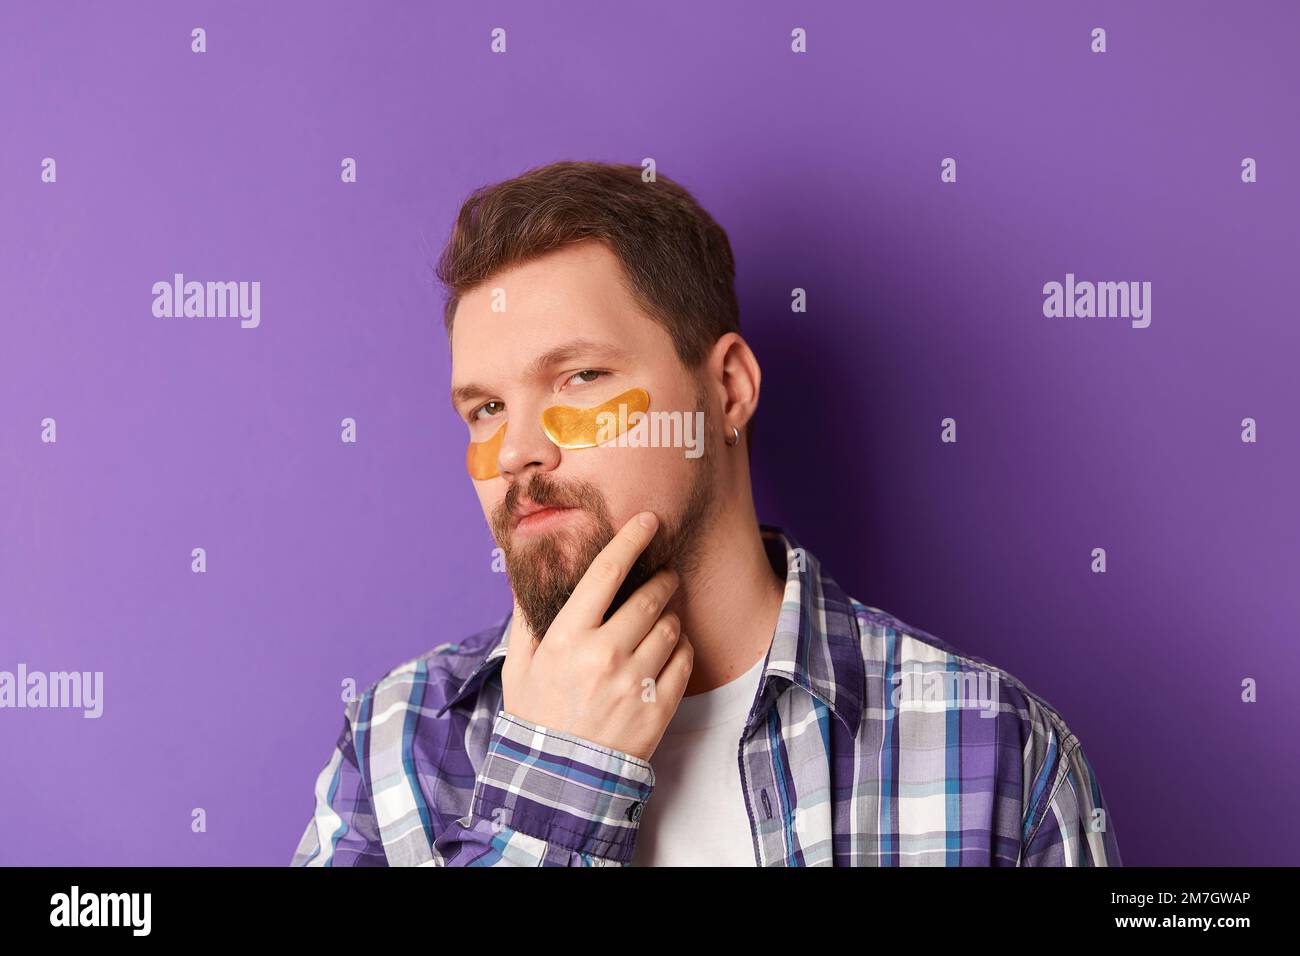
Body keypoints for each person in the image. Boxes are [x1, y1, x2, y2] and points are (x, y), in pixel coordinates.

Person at [290, 160, 1121, 867]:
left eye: (580, 377)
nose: (515, 452)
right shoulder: (395, 742)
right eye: (484, 409)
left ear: (727, 389)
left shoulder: (995, 754)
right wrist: (557, 794)